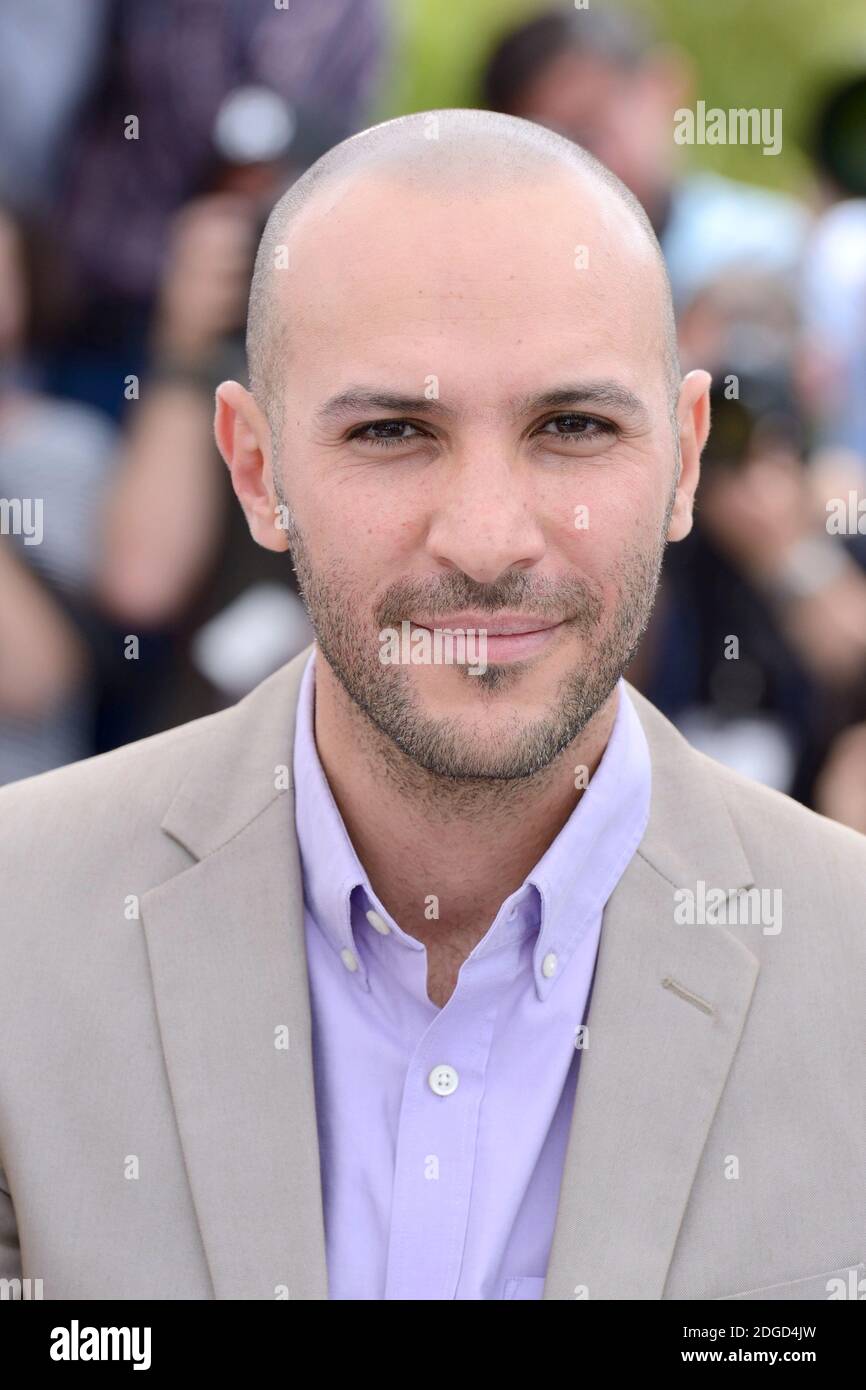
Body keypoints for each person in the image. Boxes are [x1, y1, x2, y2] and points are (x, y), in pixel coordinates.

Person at [0, 110, 864, 1303]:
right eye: (393, 431)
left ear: (682, 457)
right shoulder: (19, 930)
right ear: (256, 472)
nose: (485, 539)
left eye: (571, 427)